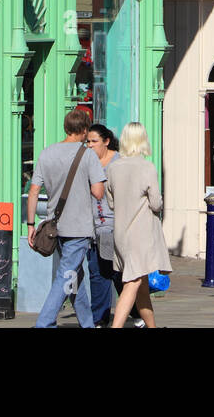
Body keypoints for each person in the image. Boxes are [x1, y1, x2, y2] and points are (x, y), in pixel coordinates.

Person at [27, 109, 107, 329]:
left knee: (74, 277)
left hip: (55, 226)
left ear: (65, 128)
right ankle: (43, 323)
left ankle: (87, 323)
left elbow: (34, 191)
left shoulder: (46, 153)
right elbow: (98, 192)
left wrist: (31, 224)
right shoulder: (88, 155)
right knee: (66, 276)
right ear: (83, 131)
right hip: (79, 228)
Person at [106, 121, 172, 328]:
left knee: (141, 285)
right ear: (142, 139)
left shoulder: (113, 167)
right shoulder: (146, 167)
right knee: (133, 283)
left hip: (120, 233)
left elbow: (110, 203)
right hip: (140, 234)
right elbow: (156, 203)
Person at [85, 123, 122, 328]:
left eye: (94, 141)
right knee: (97, 272)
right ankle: (99, 318)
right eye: (88, 141)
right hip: (92, 228)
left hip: (111, 226)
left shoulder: (117, 163)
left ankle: (134, 311)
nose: (90, 145)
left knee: (114, 272)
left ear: (106, 141)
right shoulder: (88, 163)